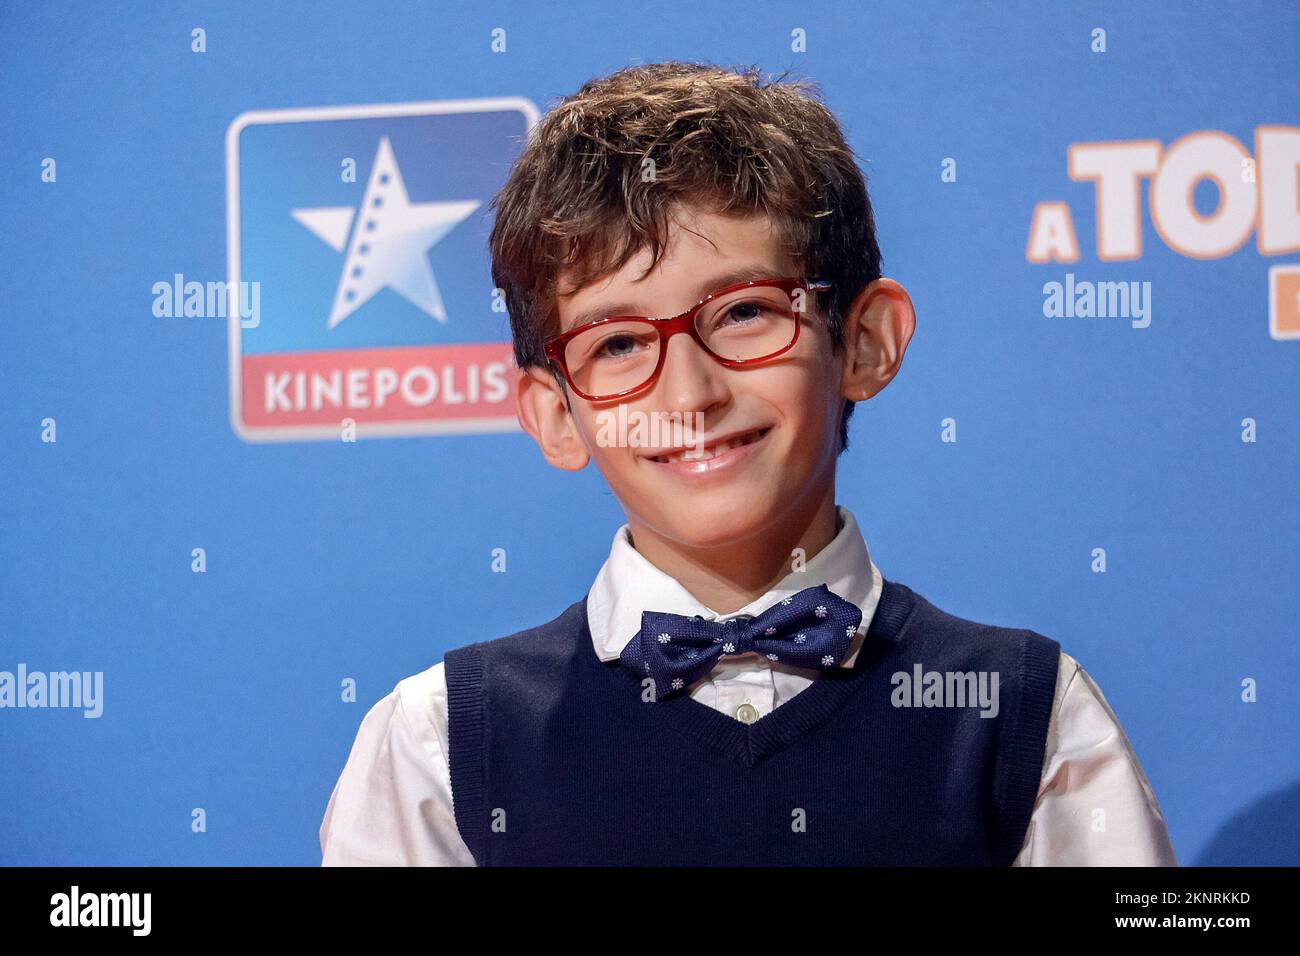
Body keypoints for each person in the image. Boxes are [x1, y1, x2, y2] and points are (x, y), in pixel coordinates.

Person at [319, 61, 1176, 866]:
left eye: (742, 314)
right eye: (617, 342)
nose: (689, 393)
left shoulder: (1025, 718)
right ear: (556, 415)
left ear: (865, 343)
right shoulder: (441, 746)